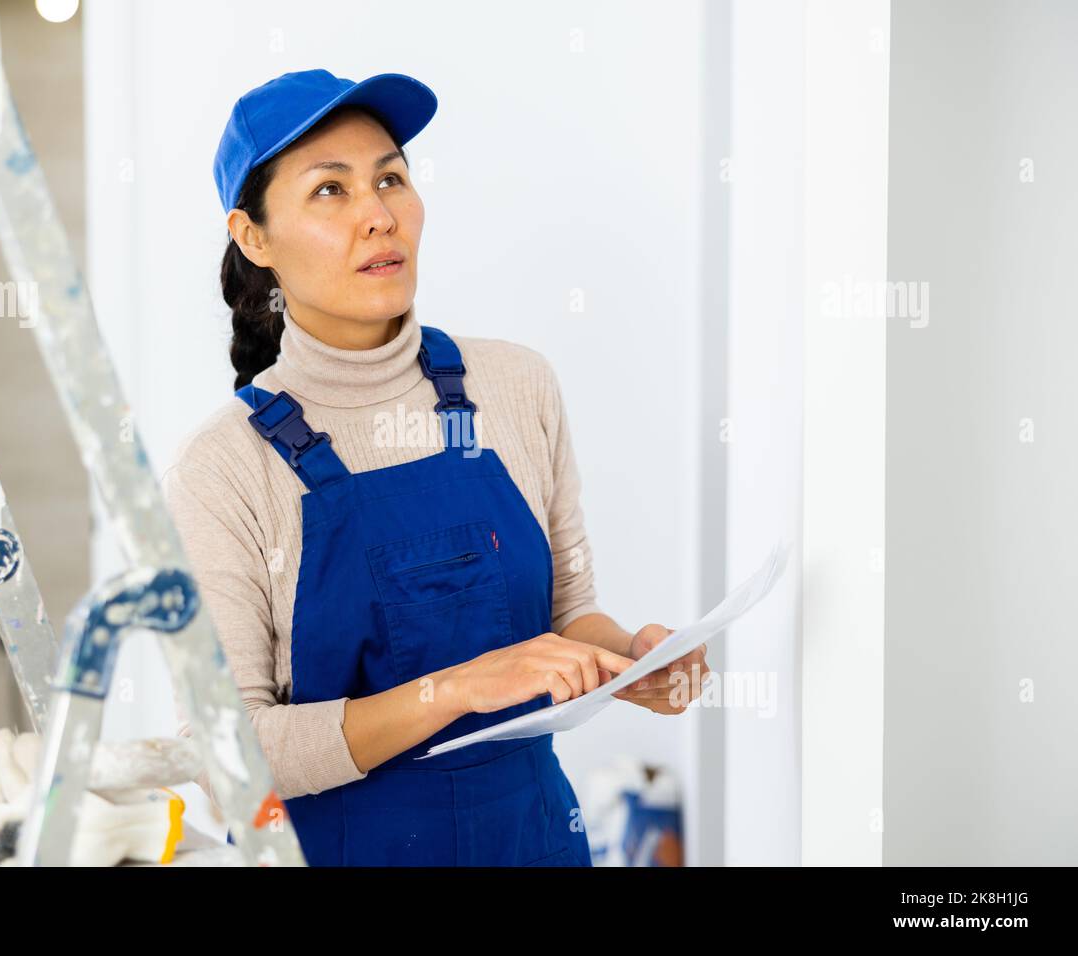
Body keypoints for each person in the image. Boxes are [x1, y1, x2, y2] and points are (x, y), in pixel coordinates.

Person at [162, 68, 710, 866]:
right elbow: (228, 755)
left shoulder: (517, 387)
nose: (379, 216)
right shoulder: (223, 469)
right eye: (330, 191)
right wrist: (455, 688)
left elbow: (569, 613)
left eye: (391, 178)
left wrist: (631, 659)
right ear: (253, 237)